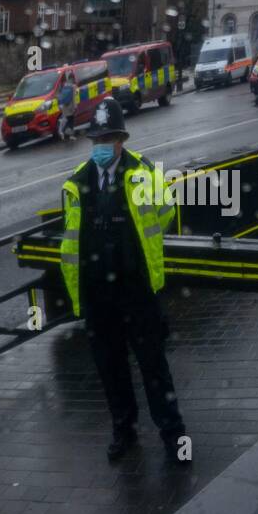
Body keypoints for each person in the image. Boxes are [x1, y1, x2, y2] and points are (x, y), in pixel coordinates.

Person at [57, 98, 189, 463]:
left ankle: (173, 435)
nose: (102, 145)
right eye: (97, 138)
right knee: (110, 366)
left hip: (136, 288)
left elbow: (164, 214)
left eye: (109, 137)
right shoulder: (76, 182)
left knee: (153, 366)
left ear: (121, 139)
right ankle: (124, 429)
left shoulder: (143, 173)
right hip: (98, 291)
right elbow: (71, 239)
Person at [57, 71, 77, 141]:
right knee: (71, 121)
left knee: (68, 120)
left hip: (65, 106)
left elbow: (60, 96)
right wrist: (75, 106)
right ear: (73, 78)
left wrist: (60, 105)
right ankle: (63, 132)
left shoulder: (64, 85)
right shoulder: (73, 86)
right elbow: (74, 98)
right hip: (70, 106)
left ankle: (66, 134)